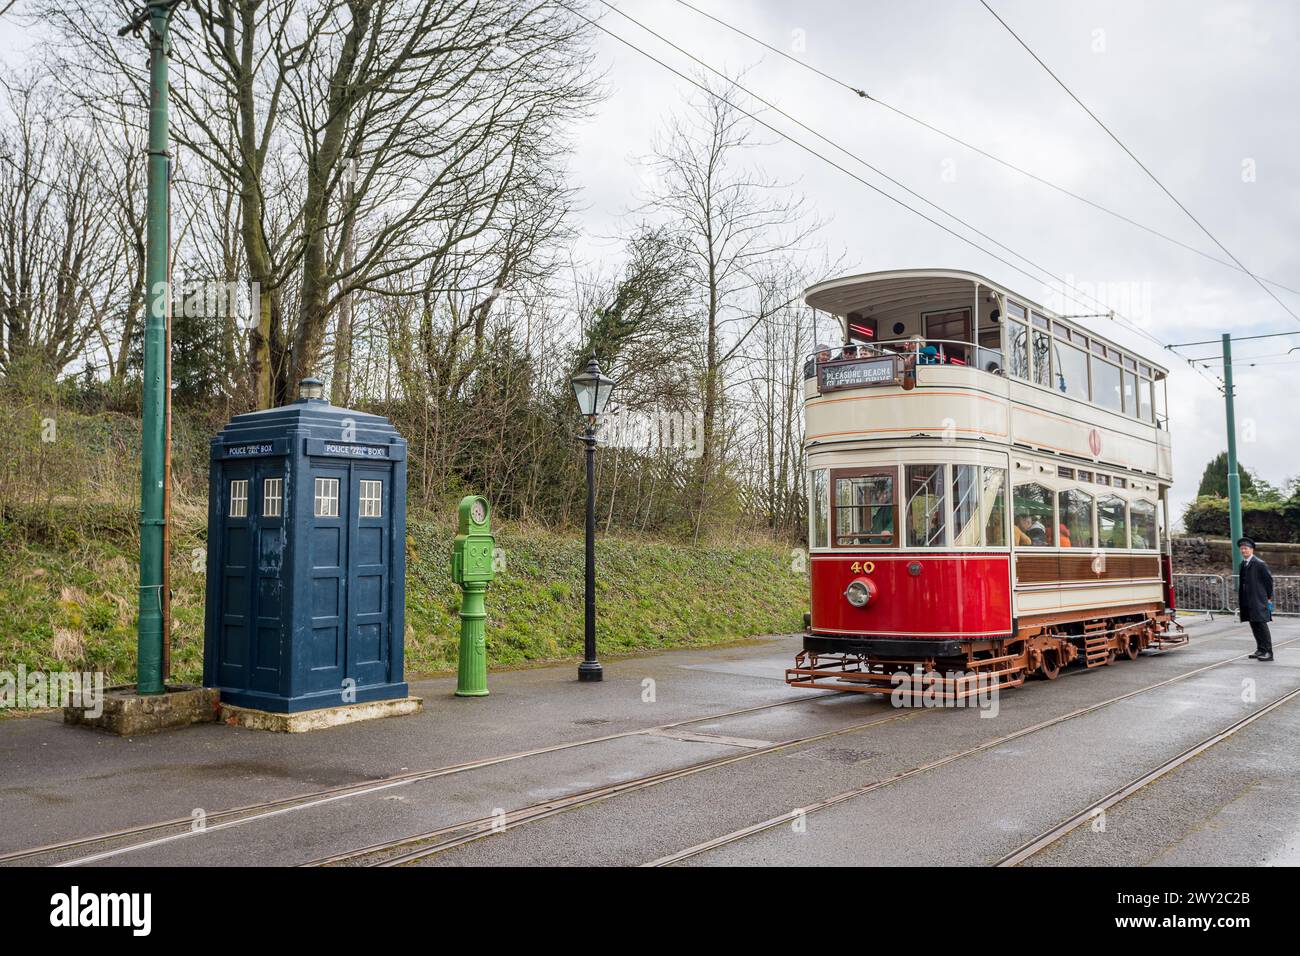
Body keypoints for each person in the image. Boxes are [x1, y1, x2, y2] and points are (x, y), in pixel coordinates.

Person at [1237, 537, 1274, 661]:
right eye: (1241, 549)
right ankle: (1260, 649)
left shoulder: (1259, 563)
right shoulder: (1243, 563)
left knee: (1261, 624)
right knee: (1254, 624)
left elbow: (1269, 581)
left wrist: (1268, 597)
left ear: (1251, 550)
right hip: (1248, 600)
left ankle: (1268, 652)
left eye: (1246, 548)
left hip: (1259, 599)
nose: (1243, 551)